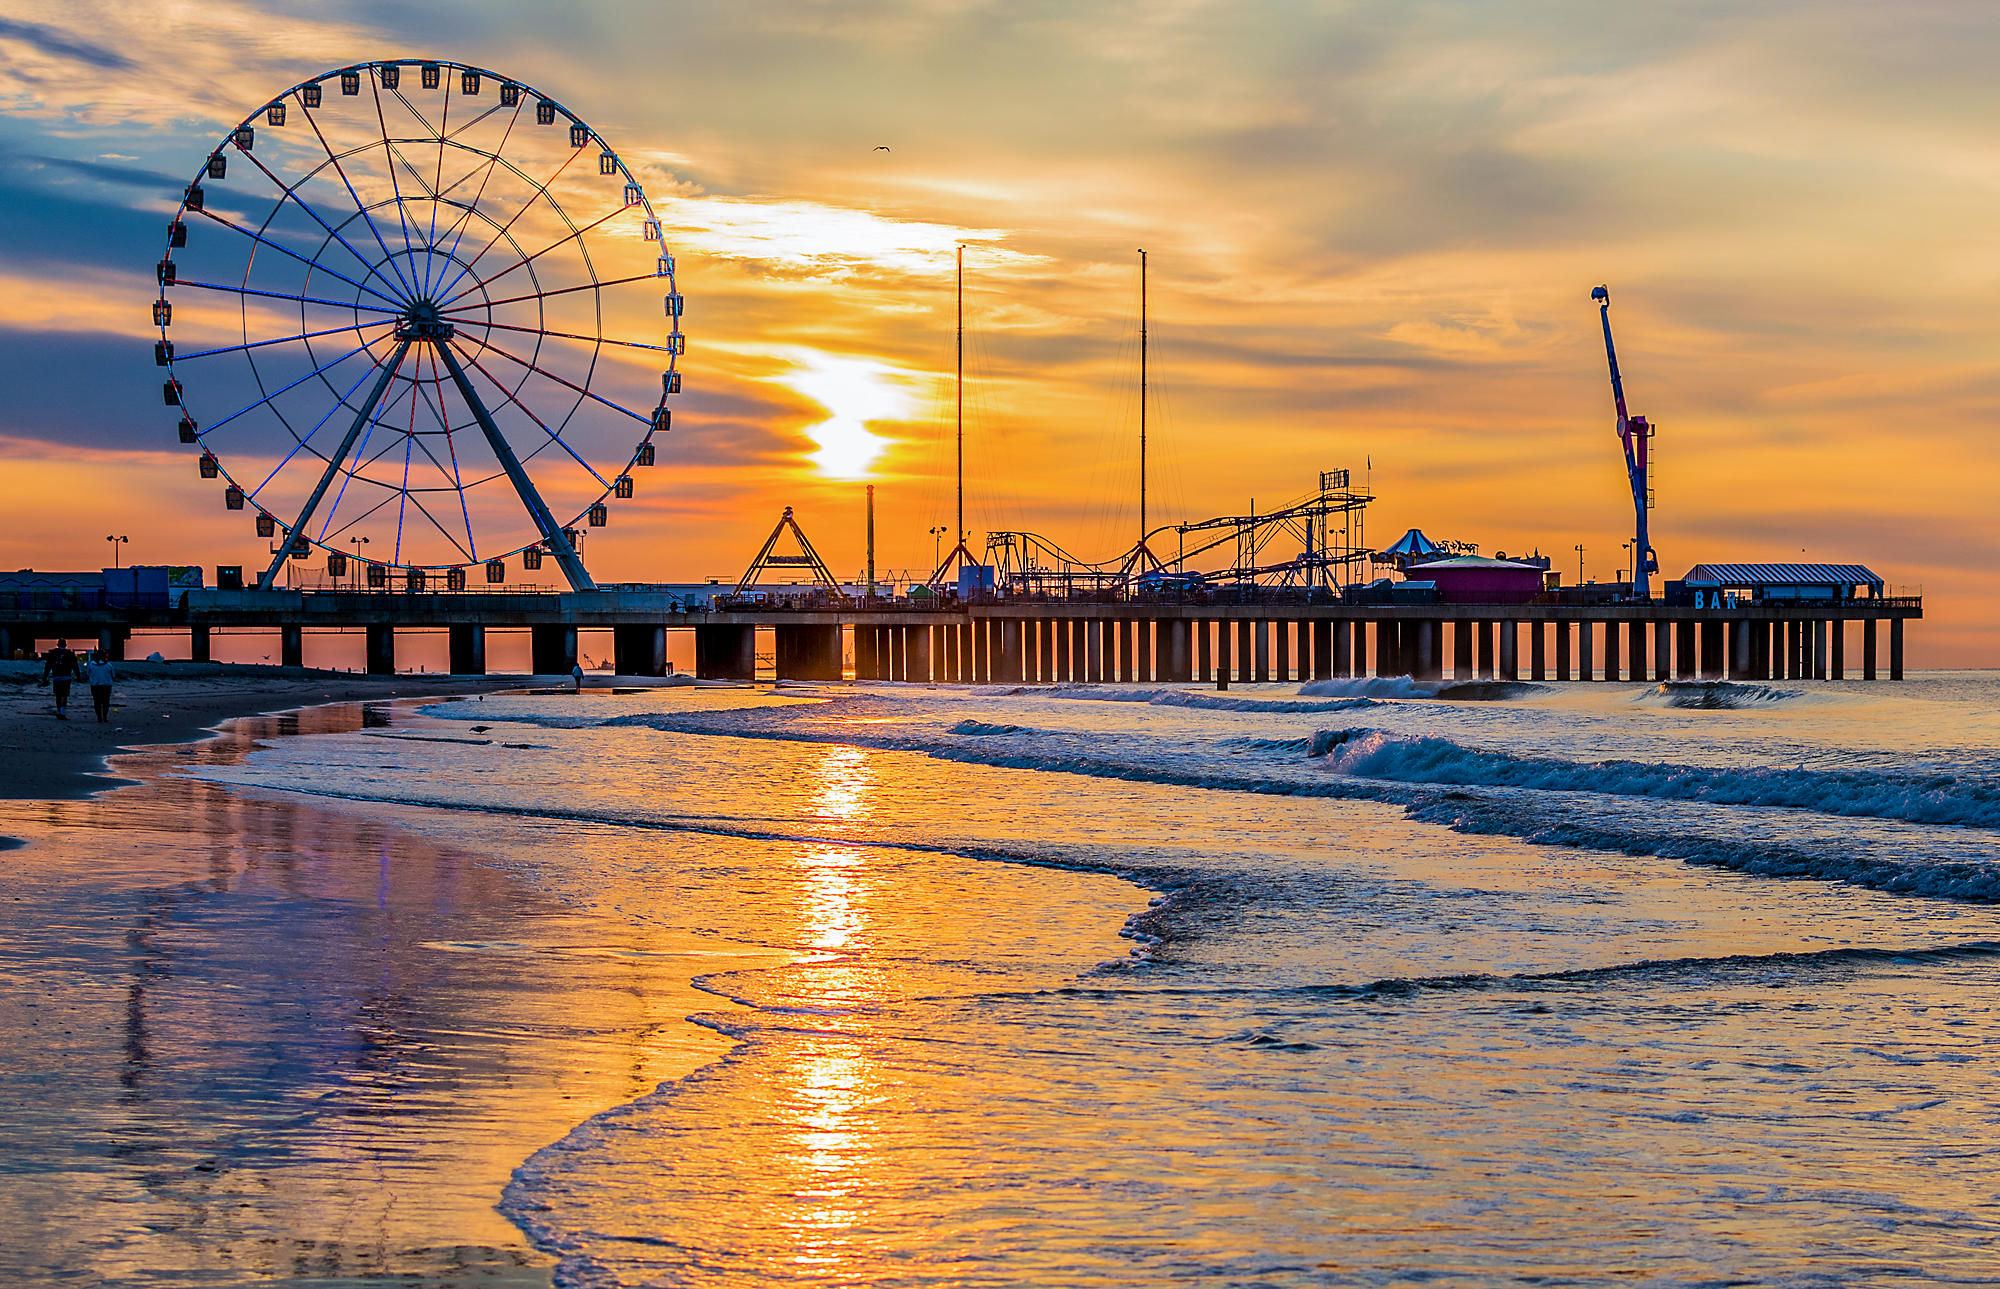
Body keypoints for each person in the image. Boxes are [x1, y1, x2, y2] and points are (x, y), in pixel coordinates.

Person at [40, 638, 79, 720]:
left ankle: (58, 711)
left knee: (58, 695)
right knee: (64, 695)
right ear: (65, 645)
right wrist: (78, 676)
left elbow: (48, 666)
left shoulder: (52, 653)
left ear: (57, 644)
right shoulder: (70, 654)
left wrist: (45, 677)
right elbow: (75, 666)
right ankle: (62, 712)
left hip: (56, 677)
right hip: (66, 677)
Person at [85, 650, 116, 723]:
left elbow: (88, 674)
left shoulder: (91, 664)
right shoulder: (109, 665)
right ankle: (104, 717)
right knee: (106, 702)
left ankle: (99, 716)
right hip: (106, 685)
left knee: (97, 701)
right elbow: (113, 675)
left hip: (95, 685)